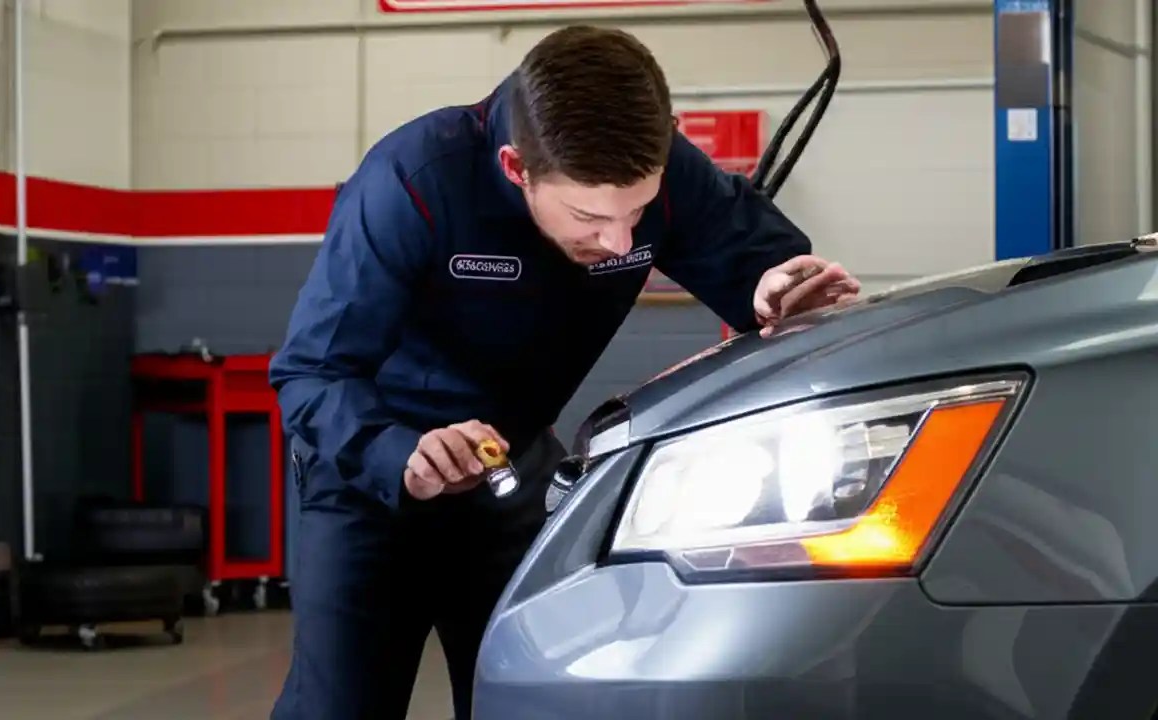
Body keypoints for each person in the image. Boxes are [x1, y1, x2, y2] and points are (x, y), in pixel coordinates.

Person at [267, 24, 860, 720]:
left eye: (637, 213)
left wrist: (774, 286)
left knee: (531, 699)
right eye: (589, 217)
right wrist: (399, 455)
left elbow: (760, 261)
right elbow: (311, 373)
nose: (621, 240)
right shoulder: (412, 182)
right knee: (340, 707)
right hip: (368, 481)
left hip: (507, 471)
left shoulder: (663, 171)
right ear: (519, 168)